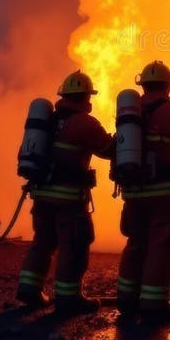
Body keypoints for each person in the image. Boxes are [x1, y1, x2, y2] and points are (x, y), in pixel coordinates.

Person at [16, 70, 114, 315]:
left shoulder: (48, 120)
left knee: (43, 242)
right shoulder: (84, 122)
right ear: (84, 97)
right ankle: (69, 299)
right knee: (74, 246)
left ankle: (29, 290)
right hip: (69, 201)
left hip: (42, 196)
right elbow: (108, 149)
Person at [115, 60, 170, 325]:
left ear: (142, 85)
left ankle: (127, 301)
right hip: (163, 195)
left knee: (135, 244)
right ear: (167, 86)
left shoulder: (129, 113)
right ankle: (154, 305)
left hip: (133, 194)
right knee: (160, 247)